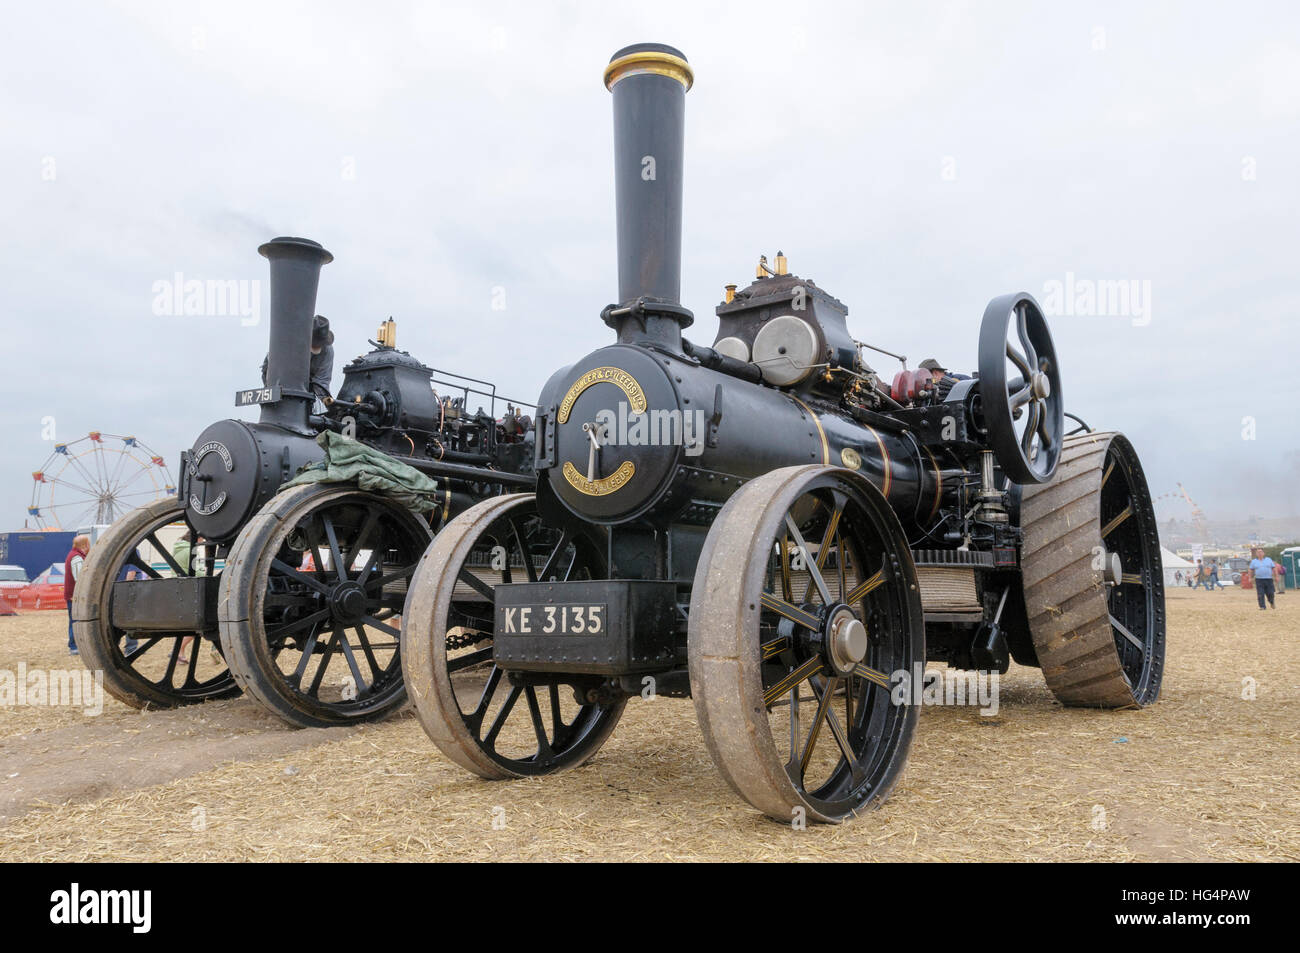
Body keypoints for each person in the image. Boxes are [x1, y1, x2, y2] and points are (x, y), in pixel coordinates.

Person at [261, 315, 335, 400]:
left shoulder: (328, 351)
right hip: (280, 378)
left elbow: (323, 380)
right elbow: (272, 368)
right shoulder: (289, 341)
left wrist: (325, 400)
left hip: (309, 386)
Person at [63, 534, 90, 654]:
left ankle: (75, 645)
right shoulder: (77, 558)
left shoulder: (73, 555)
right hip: (75, 597)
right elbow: (80, 578)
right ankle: (74, 646)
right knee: (75, 621)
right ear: (85, 545)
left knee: (74, 620)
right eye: (88, 544)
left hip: (72, 596)